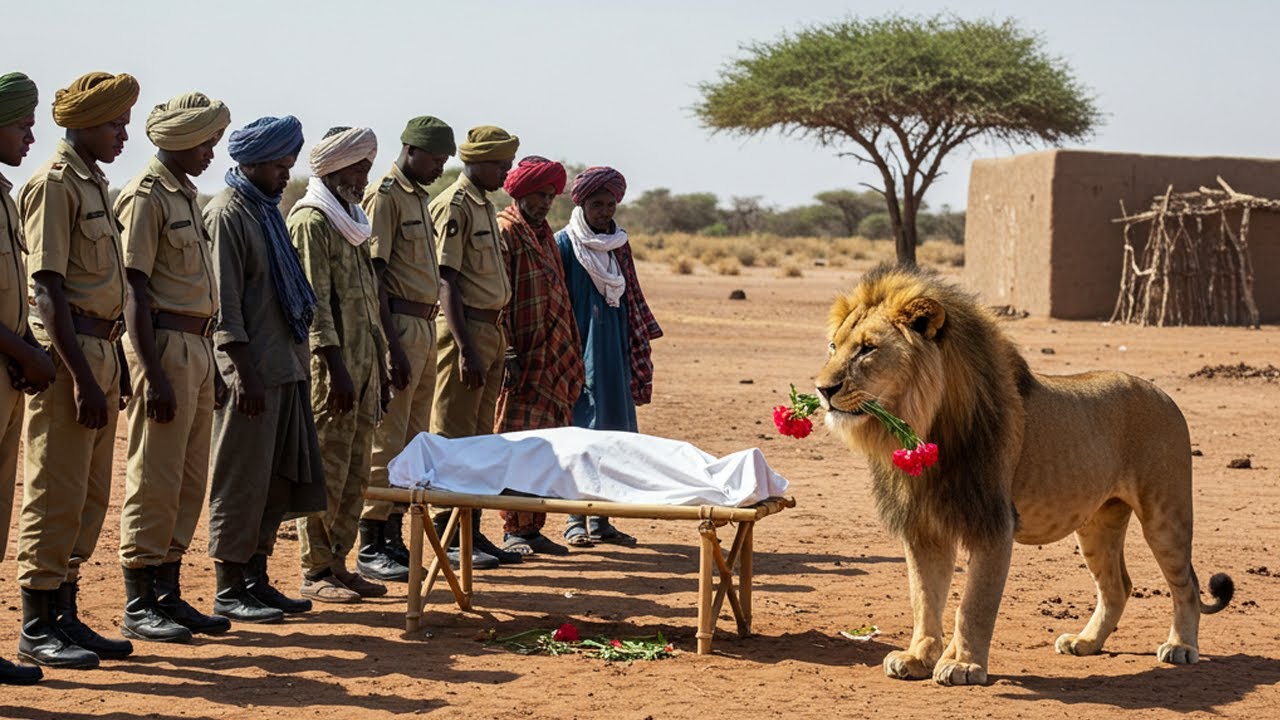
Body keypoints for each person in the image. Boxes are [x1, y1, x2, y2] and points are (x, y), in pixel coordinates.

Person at [15, 71, 138, 669]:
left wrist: (113, 364)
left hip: (100, 350)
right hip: (69, 358)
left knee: (90, 495)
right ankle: (36, 623)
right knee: (55, 491)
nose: (123, 133)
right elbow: (47, 290)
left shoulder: (93, 183)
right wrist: (84, 377)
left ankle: (65, 612)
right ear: (85, 124)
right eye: (115, 123)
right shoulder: (55, 184)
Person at [114, 92, 231, 643]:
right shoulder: (146, 196)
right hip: (163, 347)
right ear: (180, 140)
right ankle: (139, 599)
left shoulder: (185, 194)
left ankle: (168, 590)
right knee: (155, 477)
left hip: (198, 349)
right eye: (205, 141)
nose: (211, 151)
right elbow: (132, 289)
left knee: (188, 479)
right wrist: (150, 372)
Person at [204, 115, 325, 623]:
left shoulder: (266, 212)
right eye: (279, 165)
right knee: (241, 480)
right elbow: (224, 303)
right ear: (251, 162)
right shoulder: (227, 214)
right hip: (251, 374)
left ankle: (257, 578)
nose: (285, 174)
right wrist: (242, 371)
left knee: (275, 480)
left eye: (289, 165)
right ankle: (230, 587)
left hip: (285, 366)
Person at [289, 126, 388, 603]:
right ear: (331, 166)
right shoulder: (312, 220)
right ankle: (316, 569)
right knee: (326, 467)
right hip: (334, 371)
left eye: (367, 167)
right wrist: (336, 366)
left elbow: (367, 303)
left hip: (365, 366)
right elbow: (315, 306)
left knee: (355, 471)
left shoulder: (353, 220)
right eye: (357, 167)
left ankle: (340, 563)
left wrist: (380, 368)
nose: (363, 176)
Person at [357, 116, 454, 582]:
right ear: (411, 150)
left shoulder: (418, 198)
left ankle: (394, 533)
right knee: (387, 439)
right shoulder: (386, 196)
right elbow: (374, 275)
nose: (440, 168)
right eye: (435, 159)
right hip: (397, 325)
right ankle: (371, 539)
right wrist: (389, 345)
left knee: (413, 440)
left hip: (423, 325)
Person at [427, 125, 521, 568]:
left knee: (482, 439)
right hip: (464, 333)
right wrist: (465, 348)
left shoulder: (485, 205)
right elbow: (445, 280)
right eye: (500, 164)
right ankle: (447, 535)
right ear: (476, 161)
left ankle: (472, 532)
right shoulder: (454, 204)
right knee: (454, 434)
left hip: (491, 331)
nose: (505, 172)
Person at [555, 167, 662, 547]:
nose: (604, 211)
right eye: (596, 204)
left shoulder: (619, 244)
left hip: (614, 348)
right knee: (582, 432)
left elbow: (630, 295)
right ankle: (573, 518)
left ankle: (601, 520)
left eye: (610, 203)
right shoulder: (565, 244)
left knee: (613, 433)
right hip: (578, 351)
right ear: (581, 204)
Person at [494, 156, 582, 556]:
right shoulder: (505, 230)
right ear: (520, 191)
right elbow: (499, 296)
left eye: (550, 195)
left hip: (550, 355)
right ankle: (512, 527)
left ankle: (532, 527)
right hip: (521, 354)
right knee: (515, 443)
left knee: (546, 445)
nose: (545, 201)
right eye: (539, 194)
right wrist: (508, 350)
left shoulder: (544, 232)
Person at [0, 71, 53, 684]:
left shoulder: (2, 194)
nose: (30, 133)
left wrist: (27, 349)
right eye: (20, 123)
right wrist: (27, 352)